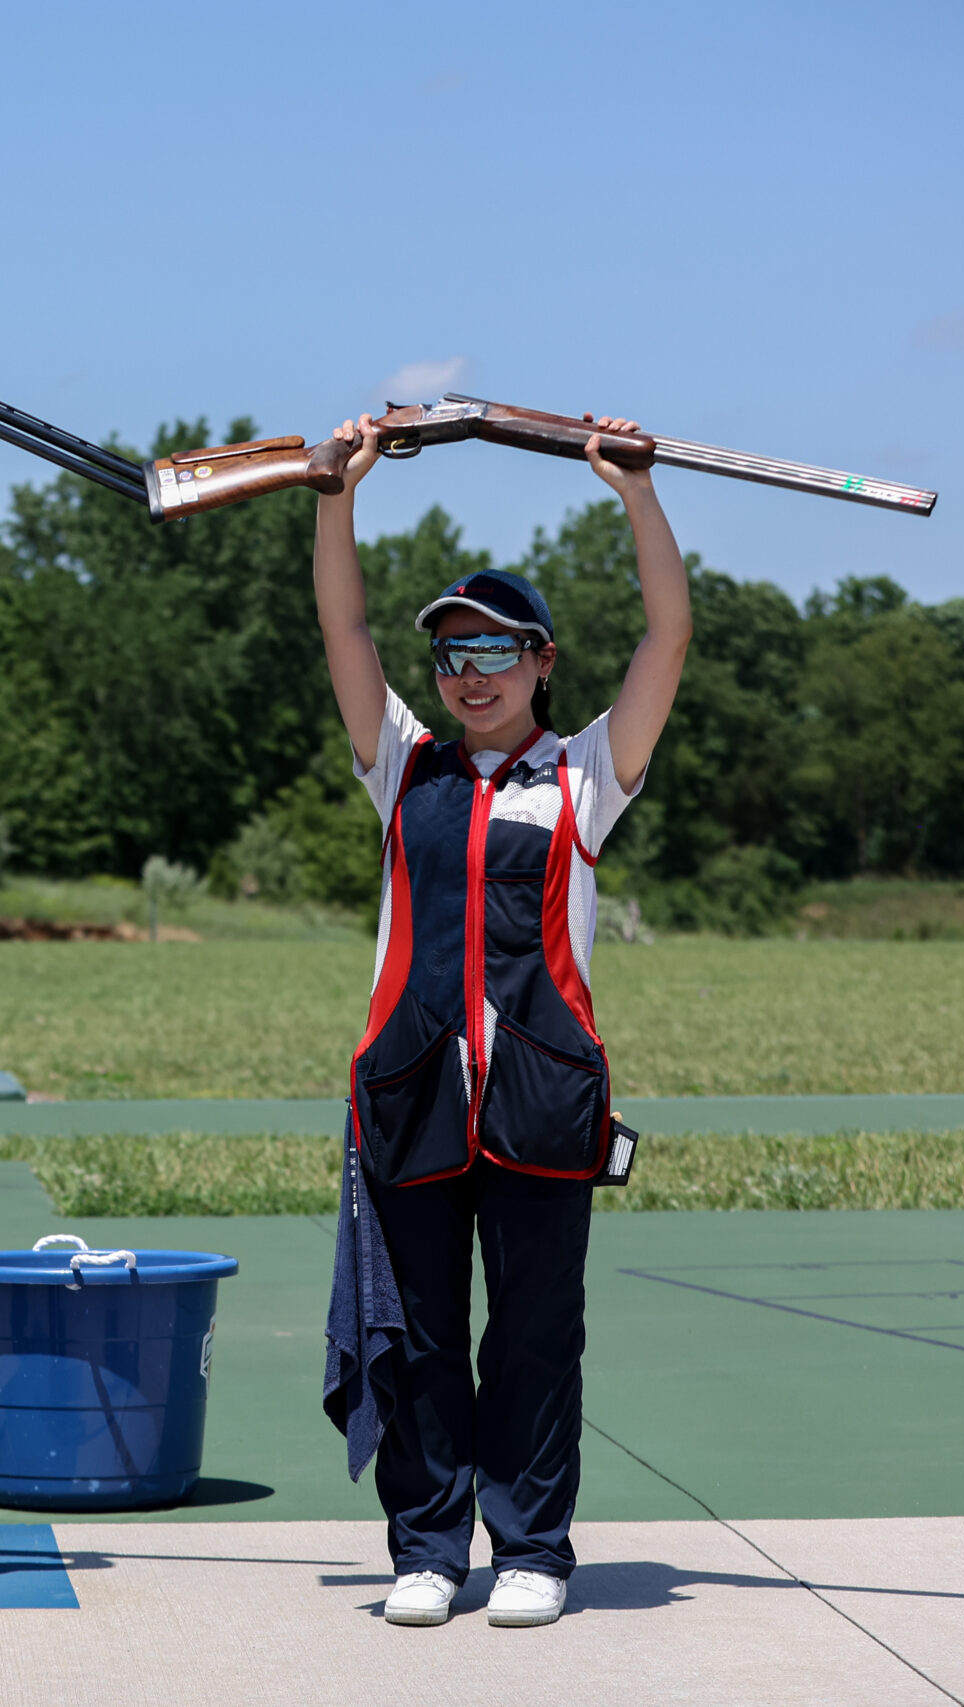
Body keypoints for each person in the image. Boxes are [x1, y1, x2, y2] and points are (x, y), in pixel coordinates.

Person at [312, 410, 690, 1630]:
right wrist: (337, 495)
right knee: (417, 1336)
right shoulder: (400, 763)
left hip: (540, 1098)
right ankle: (426, 1549)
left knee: (532, 1335)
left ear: (541, 664)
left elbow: (667, 634)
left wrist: (633, 491)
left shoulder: (585, 774)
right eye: (451, 656)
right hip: (412, 1092)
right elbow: (343, 624)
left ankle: (532, 1548)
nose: (468, 674)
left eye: (494, 652)